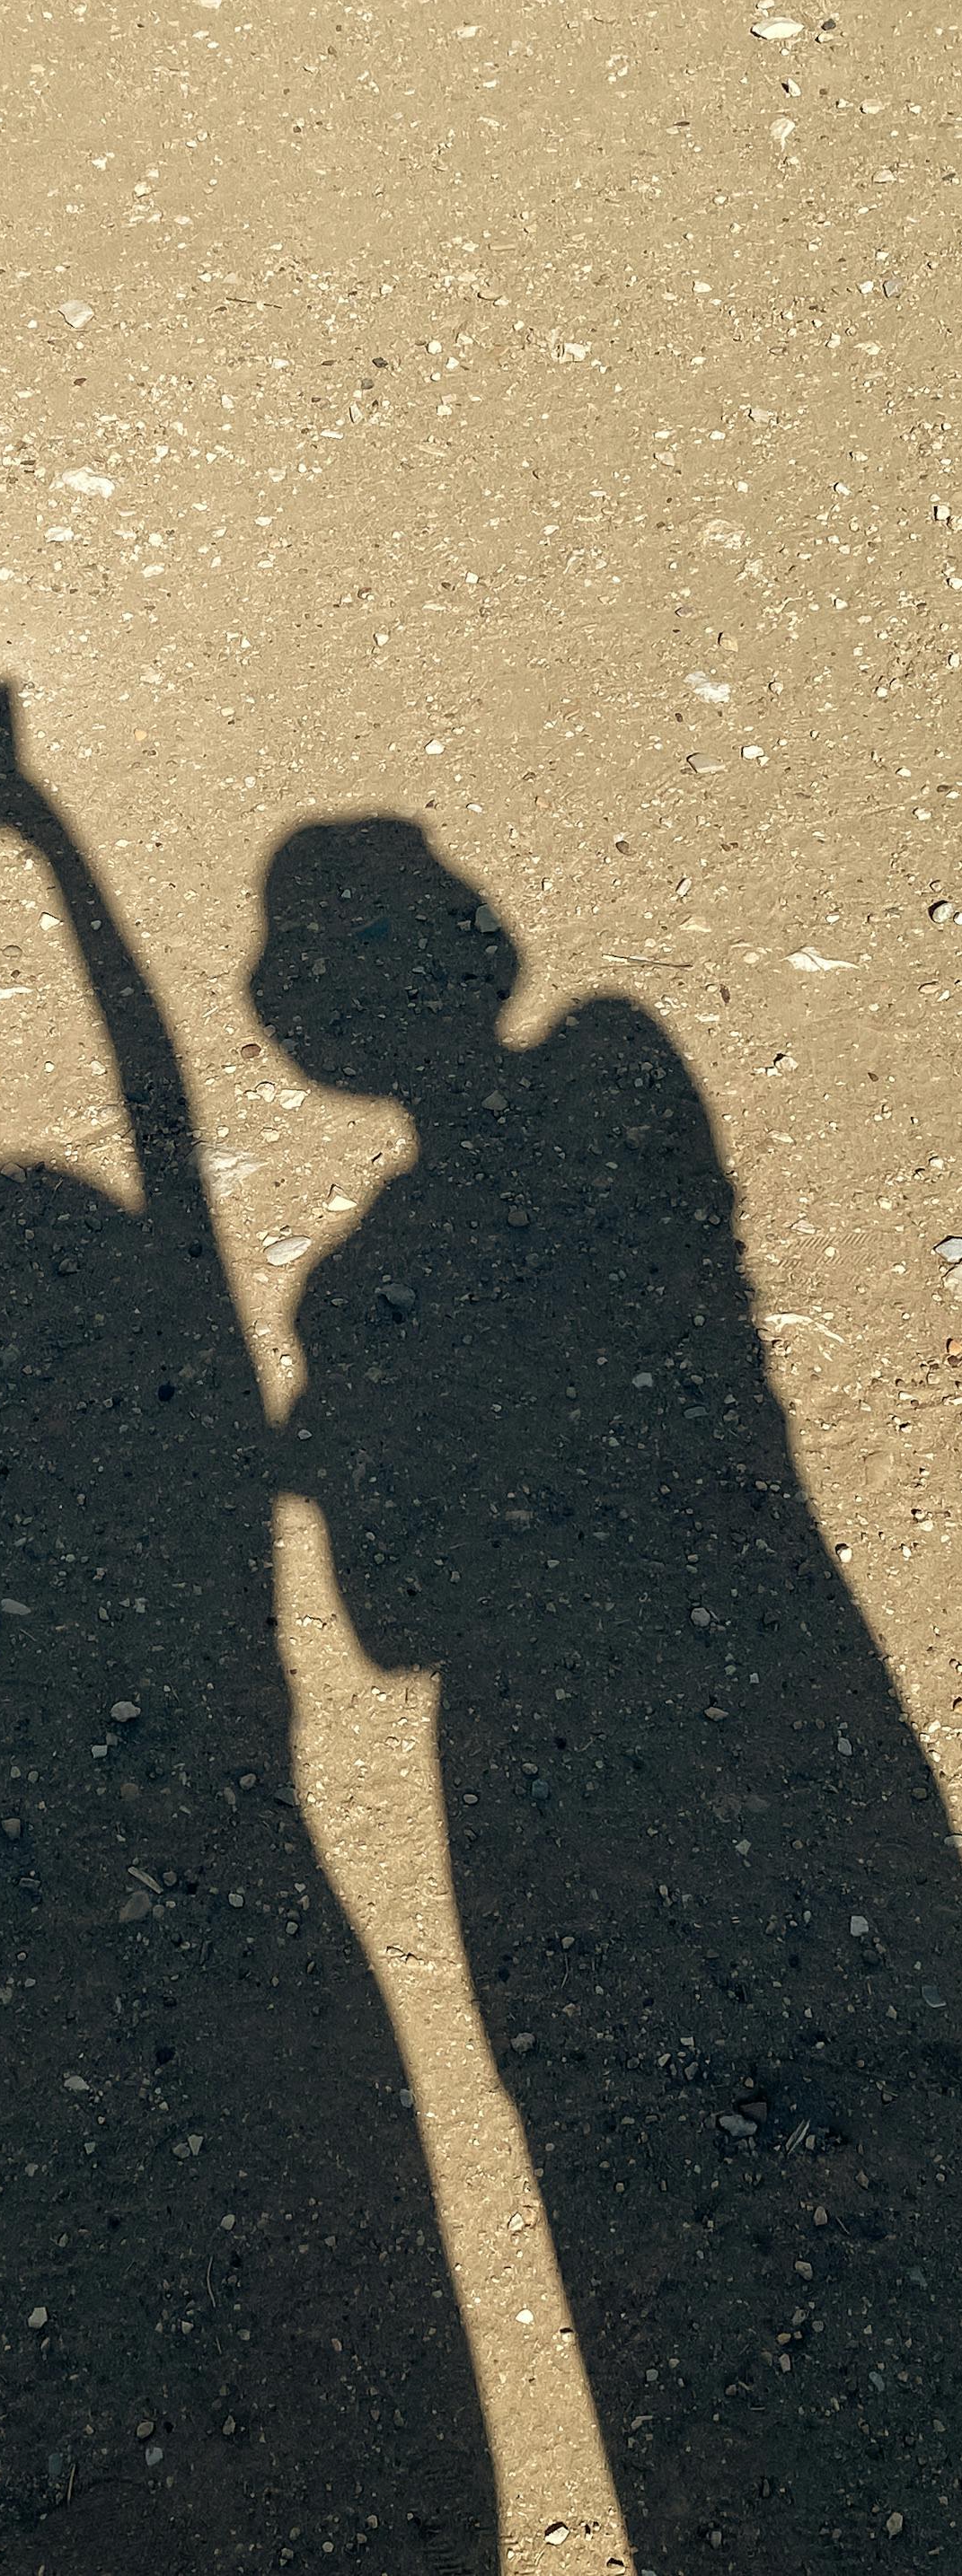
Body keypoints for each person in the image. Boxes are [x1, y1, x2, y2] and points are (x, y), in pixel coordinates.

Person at [252, 820, 962, 2570]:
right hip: (783, 1686)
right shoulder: (618, 1067)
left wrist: (336, 1447)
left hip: (547, 1798)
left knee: (661, 2274)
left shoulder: (350, 1302)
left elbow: (390, 1619)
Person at [0, 703, 495, 2575]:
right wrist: (46, 836)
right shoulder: (213, 1449)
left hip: (60, 2144)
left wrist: (46, 833)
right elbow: (171, 1141)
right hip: (291, 2019)